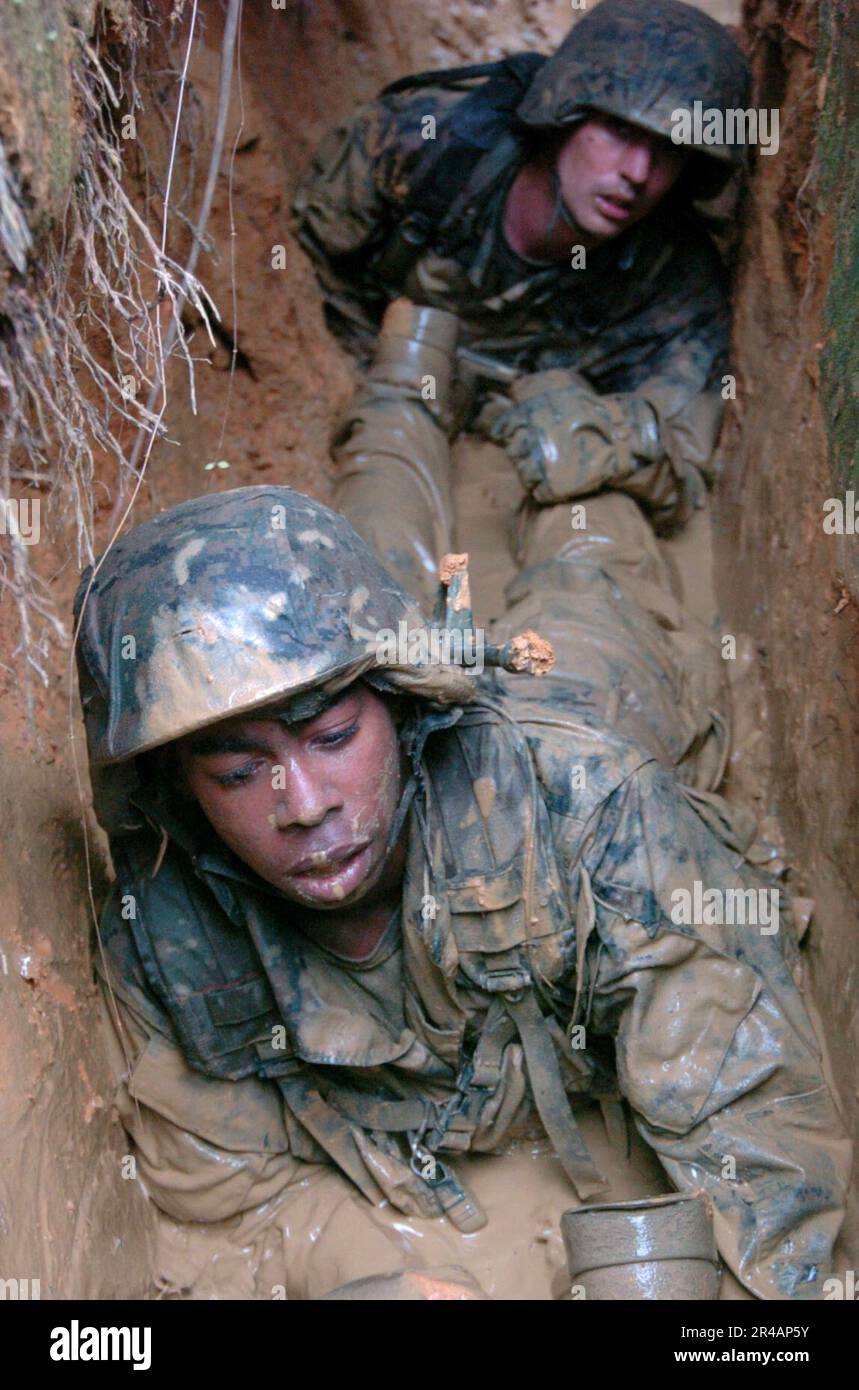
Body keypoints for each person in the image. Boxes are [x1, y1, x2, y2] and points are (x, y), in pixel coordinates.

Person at [76, 481, 850, 1301]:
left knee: (589, 567)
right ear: (177, 790)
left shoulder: (589, 806)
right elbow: (230, 1209)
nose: (303, 807)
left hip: (593, 685)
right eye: (238, 772)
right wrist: (385, 1282)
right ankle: (402, 403)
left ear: (403, 708)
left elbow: (760, 1134)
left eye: (332, 737)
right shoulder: (166, 931)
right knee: (388, 488)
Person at [293, 0, 753, 601]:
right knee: (388, 439)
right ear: (563, 113)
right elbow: (293, 274)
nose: (637, 171)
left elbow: (683, 462)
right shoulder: (424, 149)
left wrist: (599, 439)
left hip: (532, 438)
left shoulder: (676, 278)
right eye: (618, 130)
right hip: (400, 371)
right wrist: (356, 364)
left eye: (666, 150)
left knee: (593, 521)